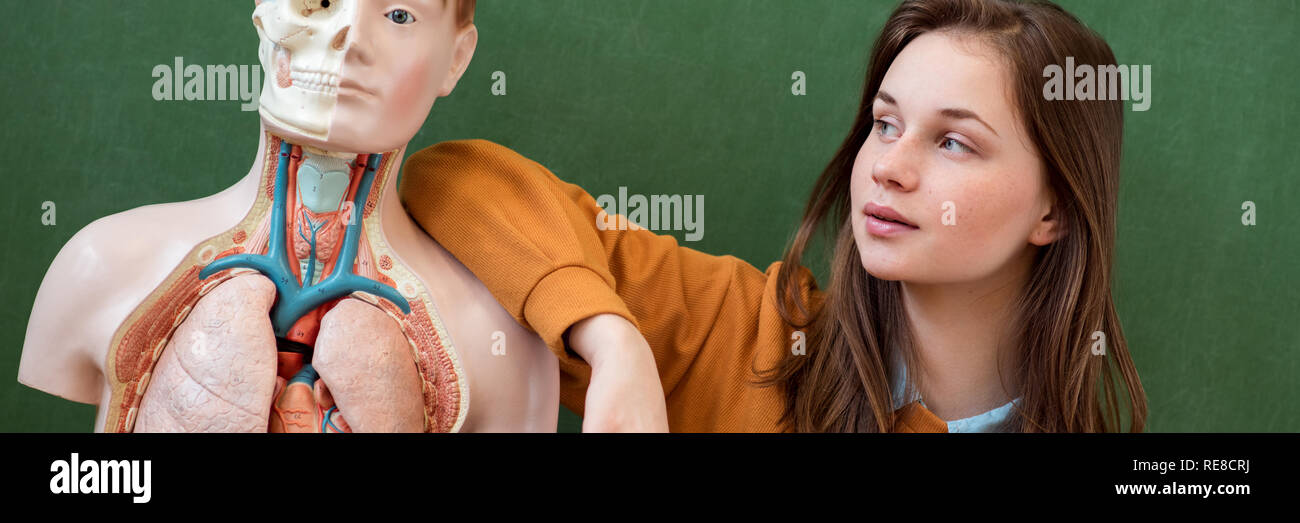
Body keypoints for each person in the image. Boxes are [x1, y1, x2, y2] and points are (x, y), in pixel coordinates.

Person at [400, 0, 1148, 432]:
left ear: (1053, 208)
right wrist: (613, 341)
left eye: (953, 141)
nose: (888, 165)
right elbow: (456, 178)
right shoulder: (749, 337)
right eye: (884, 125)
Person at [18, 0, 657, 433]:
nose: (348, 39)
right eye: (319, 1)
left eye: (399, 13)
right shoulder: (100, 266)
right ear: (266, 16)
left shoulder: (505, 346)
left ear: (457, 60)